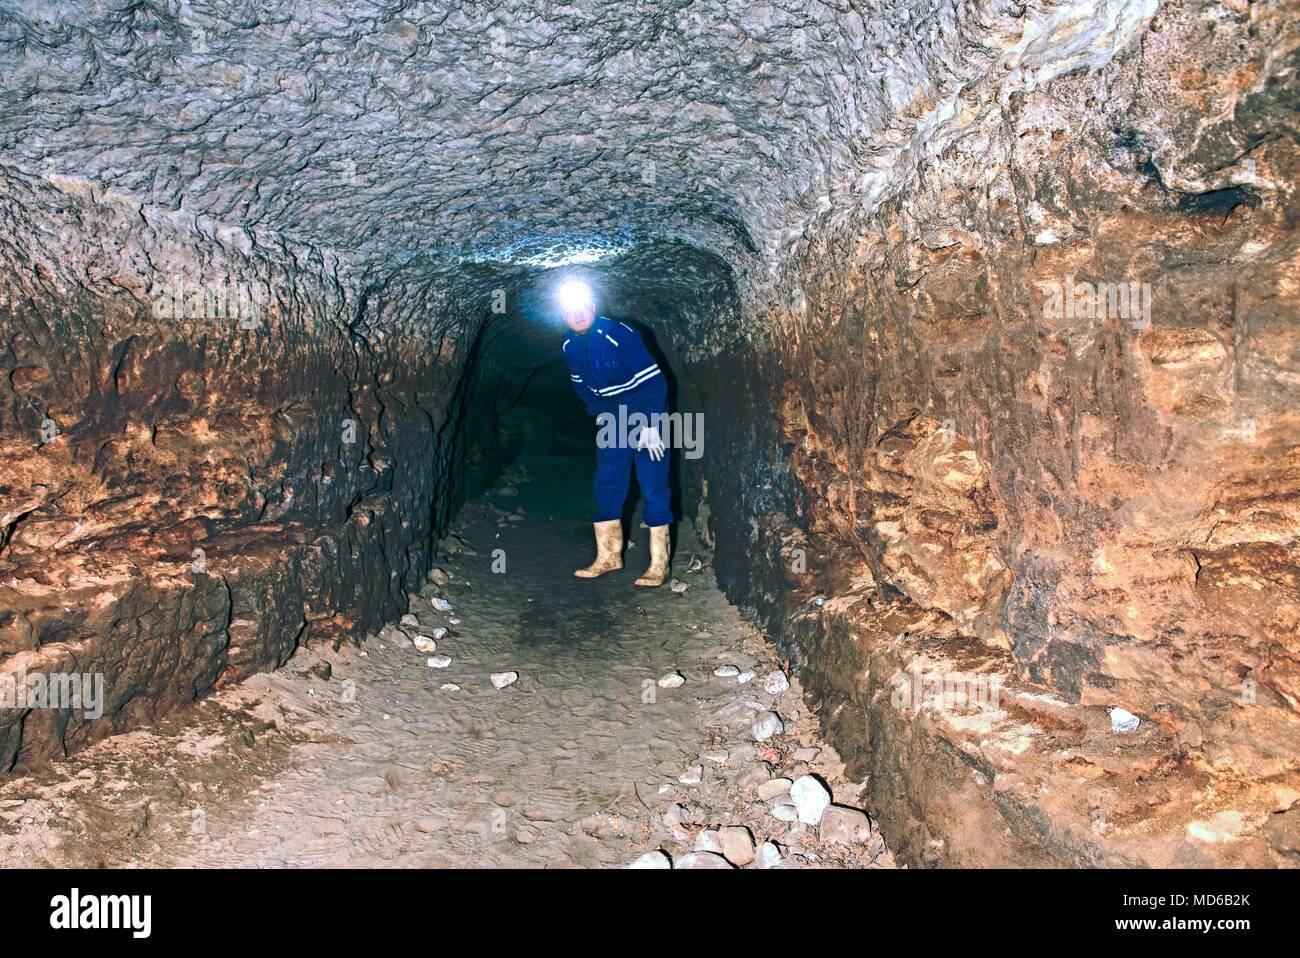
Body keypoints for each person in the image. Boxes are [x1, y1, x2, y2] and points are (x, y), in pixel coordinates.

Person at [558, 282, 671, 587]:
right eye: (571, 310)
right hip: (614, 420)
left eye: (583, 307)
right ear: (564, 315)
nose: (578, 314)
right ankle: (608, 557)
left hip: (647, 412)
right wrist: (600, 412)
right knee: (607, 483)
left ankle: (658, 564)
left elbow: (654, 382)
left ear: (593, 307)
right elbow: (580, 385)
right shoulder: (569, 345)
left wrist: (649, 425)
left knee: (653, 484)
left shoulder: (619, 333)